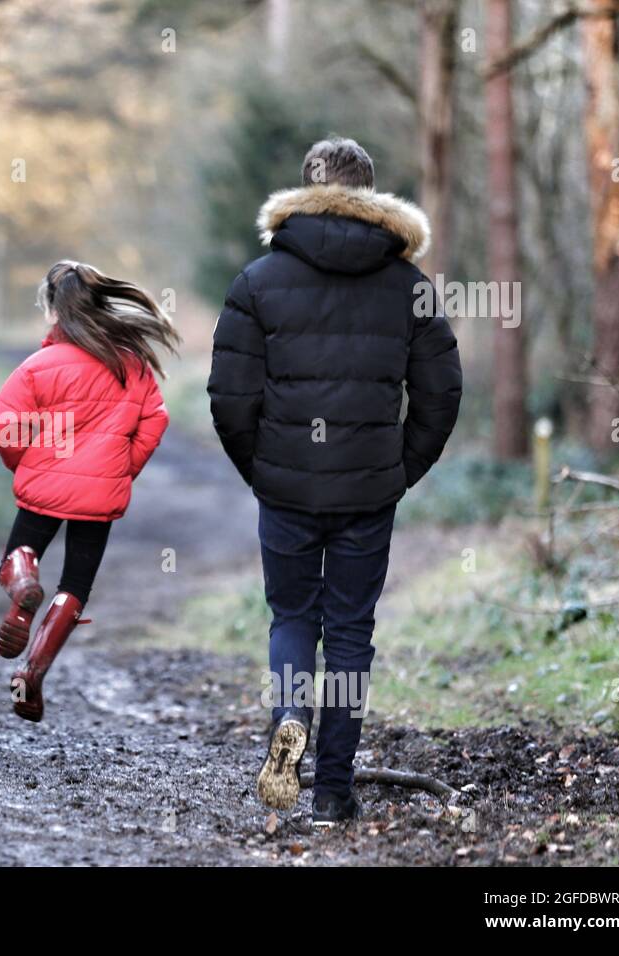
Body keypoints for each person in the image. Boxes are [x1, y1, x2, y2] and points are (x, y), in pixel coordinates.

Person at [207, 138, 462, 826]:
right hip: (368, 493)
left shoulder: (258, 281)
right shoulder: (407, 284)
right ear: (372, 198)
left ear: (305, 191)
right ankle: (331, 792)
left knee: (293, 617)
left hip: (286, 489)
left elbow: (230, 398)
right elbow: (441, 395)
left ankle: (290, 716)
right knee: (349, 632)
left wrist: (262, 469)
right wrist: (398, 469)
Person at [0, 260, 180, 722]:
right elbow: (156, 420)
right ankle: (32, 673)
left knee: (17, 558)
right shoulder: (131, 365)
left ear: (54, 310)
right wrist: (121, 469)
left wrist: (26, 465)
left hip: (43, 483)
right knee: (75, 585)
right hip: (99, 496)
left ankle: (22, 585)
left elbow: (7, 425)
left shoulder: (37, 366)